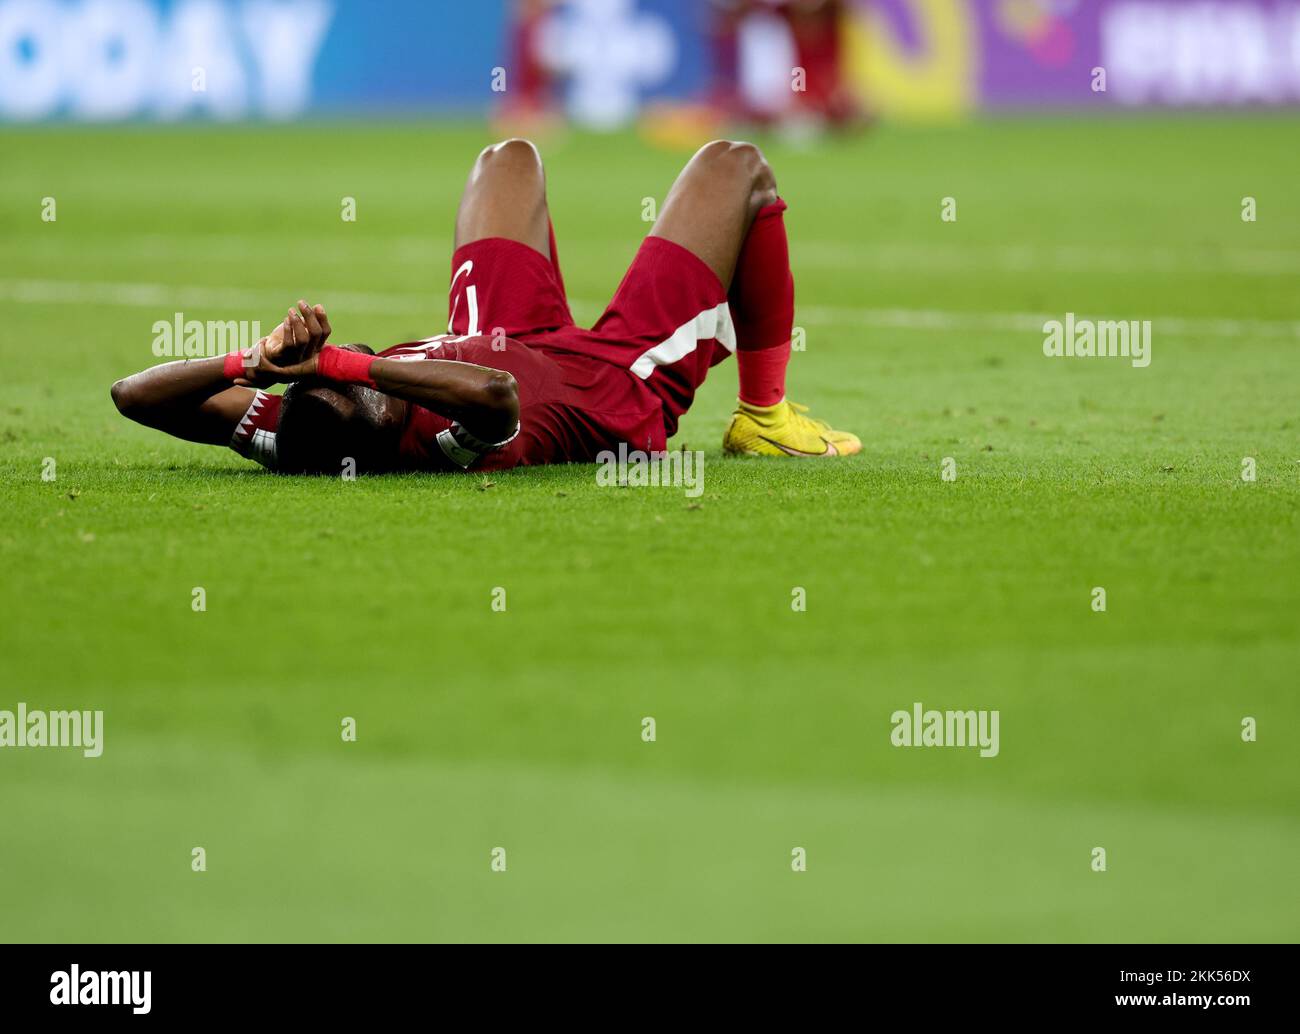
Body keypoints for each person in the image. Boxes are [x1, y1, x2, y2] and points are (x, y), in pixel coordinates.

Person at [111, 138, 860, 473]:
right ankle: (765, 419)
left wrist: (253, 362)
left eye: (321, 382)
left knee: (508, 159)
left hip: (499, 330)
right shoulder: (440, 443)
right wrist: (350, 363)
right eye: (348, 389)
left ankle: (764, 417)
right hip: (607, 383)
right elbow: (496, 395)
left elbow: (132, 396)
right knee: (736, 167)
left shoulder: (294, 430)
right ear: (372, 423)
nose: (331, 379)